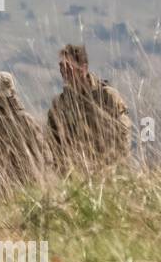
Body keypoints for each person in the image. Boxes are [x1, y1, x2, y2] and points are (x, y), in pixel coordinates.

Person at [45, 44, 132, 172]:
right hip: (75, 175)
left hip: (107, 171)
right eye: (61, 66)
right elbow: (52, 142)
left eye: (69, 66)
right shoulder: (59, 104)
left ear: (83, 68)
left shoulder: (107, 96)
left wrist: (117, 168)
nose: (64, 71)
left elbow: (124, 135)